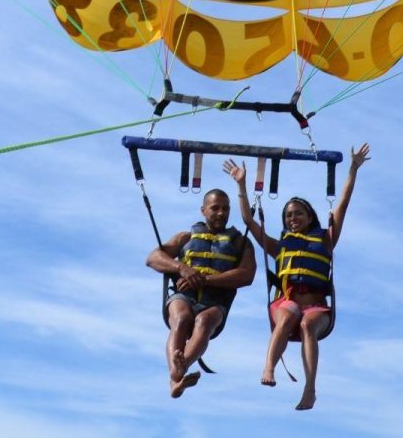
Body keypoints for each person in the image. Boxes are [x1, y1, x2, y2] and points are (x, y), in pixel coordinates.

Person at [225, 143, 370, 411]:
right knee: (290, 312)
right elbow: (248, 221)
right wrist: (241, 186)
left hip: (316, 308)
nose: (293, 218)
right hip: (287, 303)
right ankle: (269, 367)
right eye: (288, 215)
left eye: (298, 214)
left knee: (305, 325)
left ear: (309, 216)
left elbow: (343, 204)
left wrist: (353, 169)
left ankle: (310, 388)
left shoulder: (325, 239)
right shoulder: (279, 246)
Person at [145, 187, 257, 398]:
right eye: (215, 208)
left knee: (204, 321)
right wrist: (181, 268)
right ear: (203, 210)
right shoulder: (185, 237)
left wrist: (204, 279)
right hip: (183, 297)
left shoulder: (240, 242)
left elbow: (246, 275)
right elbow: (153, 258)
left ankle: (181, 367)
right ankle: (175, 378)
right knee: (181, 318)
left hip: (215, 301)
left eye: (225, 209)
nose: (221, 213)